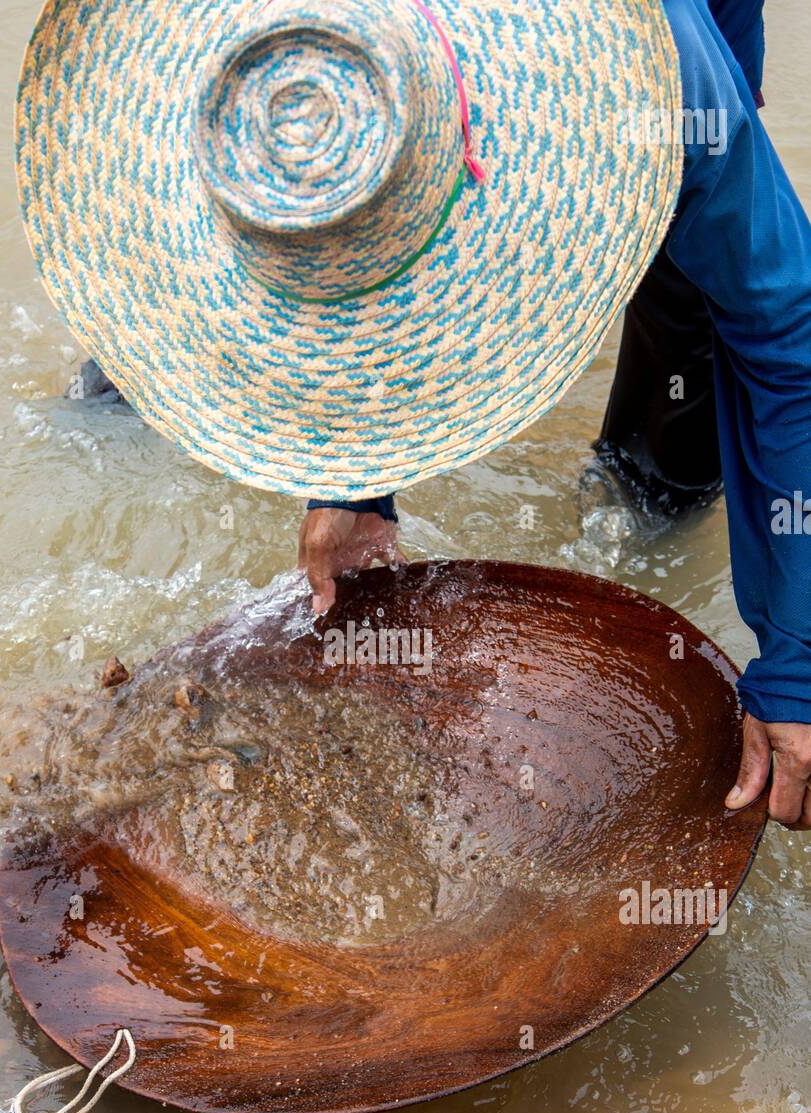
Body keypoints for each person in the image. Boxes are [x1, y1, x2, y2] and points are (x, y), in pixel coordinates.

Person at [297, 0, 811, 832]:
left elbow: (789, 337)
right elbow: (338, 295)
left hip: (662, 103)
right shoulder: (285, 70)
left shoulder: (664, 87)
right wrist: (347, 479)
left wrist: (799, 657)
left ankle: (650, 499)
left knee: (689, 338)